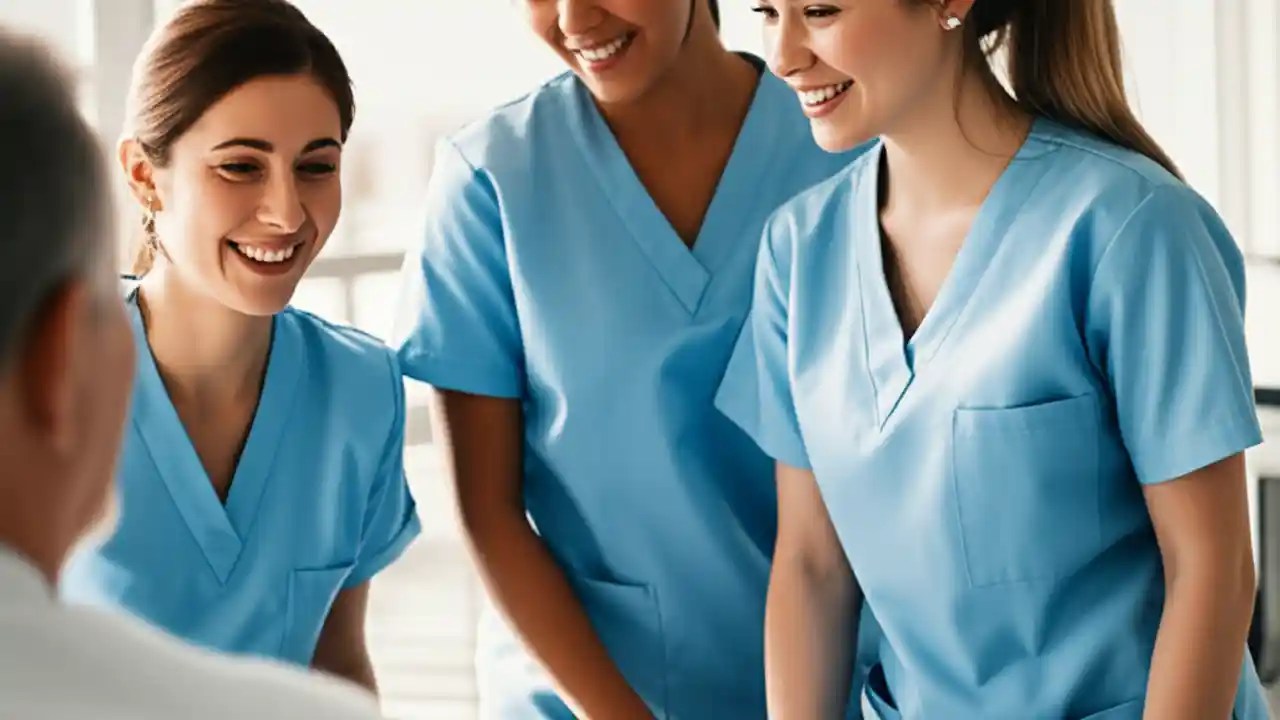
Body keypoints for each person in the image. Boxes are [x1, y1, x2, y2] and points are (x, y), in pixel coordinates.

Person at [717, 0, 1267, 718]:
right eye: (767, 12)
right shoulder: (798, 250)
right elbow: (812, 567)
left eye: (819, 10)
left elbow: (1212, 572)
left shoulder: (1129, 228)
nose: (784, 55)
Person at [393, 0, 866, 717]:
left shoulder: (851, 145)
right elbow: (489, 513)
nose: (574, 19)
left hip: (843, 687)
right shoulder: (492, 178)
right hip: (585, 697)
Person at [0, 27, 385, 720]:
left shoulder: (363, 387)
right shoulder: (57, 373)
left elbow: (342, 660)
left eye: (316, 167)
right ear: (146, 176)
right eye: (240, 166)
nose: (286, 212)